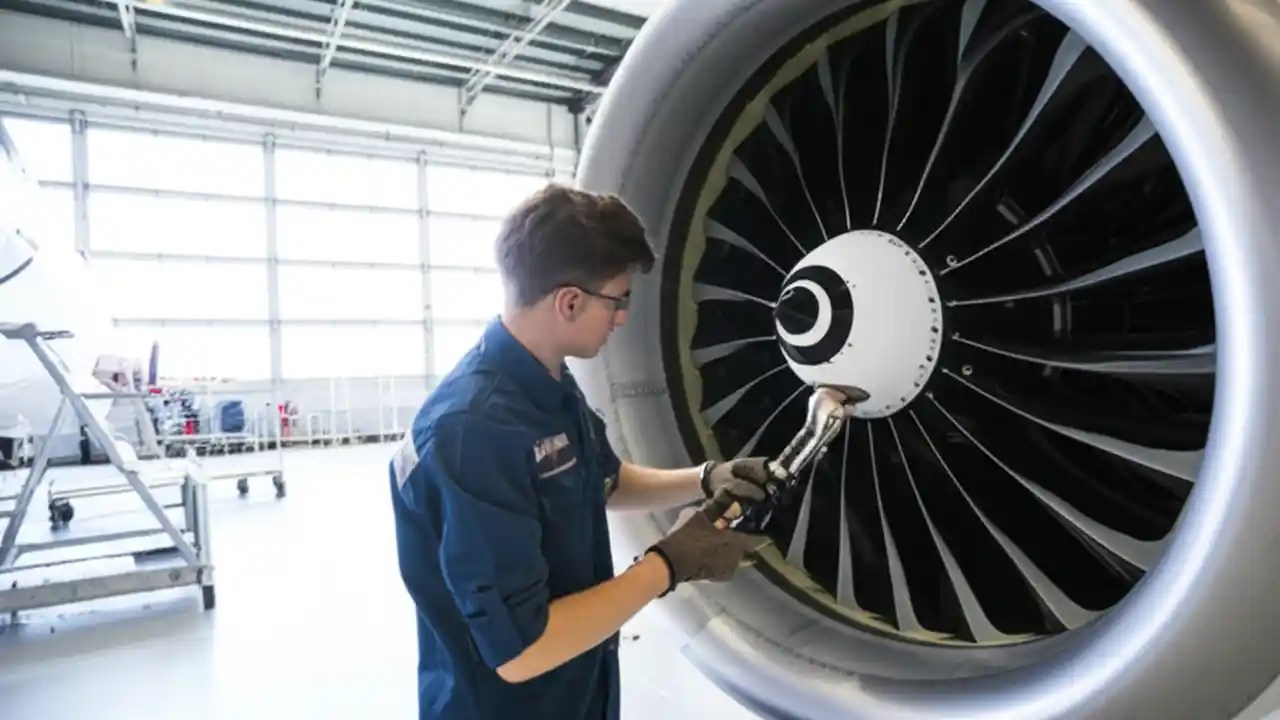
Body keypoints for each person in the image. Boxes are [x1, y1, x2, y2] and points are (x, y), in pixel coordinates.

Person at [388, 184, 774, 720]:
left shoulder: (546, 381)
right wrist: (668, 563)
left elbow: (604, 479)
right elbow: (523, 652)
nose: (622, 318)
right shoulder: (472, 432)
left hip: (577, 694)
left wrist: (708, 477)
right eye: (618, 300)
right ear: (569, 301)